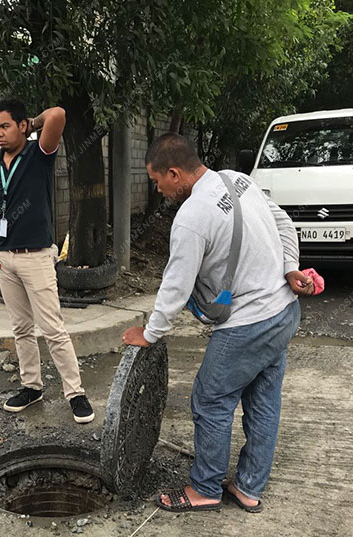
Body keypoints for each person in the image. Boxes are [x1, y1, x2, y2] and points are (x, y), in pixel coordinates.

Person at [122, 133, 315, 513]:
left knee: (210, 400)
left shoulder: (191, 217)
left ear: (174, 174)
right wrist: (290, 267)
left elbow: (176, 285)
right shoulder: (237, 180)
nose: (159, 190)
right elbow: (283, 222)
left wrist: (150, 332)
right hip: (283, 312)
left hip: (249, 324)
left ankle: (205, 488)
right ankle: (248, 487)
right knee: (263, 401)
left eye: (158, 181)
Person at [0, 98, 94, 424]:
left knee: (53, 328)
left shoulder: (39, 154)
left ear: (22, 125)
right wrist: (10, 221)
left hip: (36, 257)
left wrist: (31, 125)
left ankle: (75, 393)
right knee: (21, 328)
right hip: (5, 257)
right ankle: (31, 386)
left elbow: (58, 114)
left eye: (6, 126)